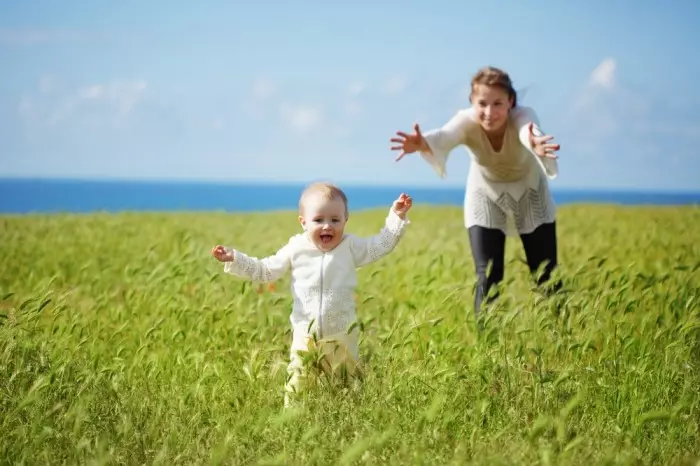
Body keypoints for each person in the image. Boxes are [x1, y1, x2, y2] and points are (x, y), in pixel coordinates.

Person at [211, 182, 412, 406]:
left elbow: (380, 246)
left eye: (335, 220)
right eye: (318, 220)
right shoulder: (296, 248)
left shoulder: (350, 246)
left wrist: (396, 216)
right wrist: (235, 259)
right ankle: (291, 424)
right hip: (305, 336)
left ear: (346, 220)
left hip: (342, 334)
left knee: (349, 387)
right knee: (297, 386)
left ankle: (352, 421)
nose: (327, 226)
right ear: (303, 222)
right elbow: (266, 270)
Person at [390, 65, 562, 321]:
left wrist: (535, 141)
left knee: (546, 274)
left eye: (497, 103)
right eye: (482, 103)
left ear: (510, 102)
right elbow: (445, 136)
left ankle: (559, 332)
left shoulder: (523, 116)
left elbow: (528, 130)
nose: (489, 112)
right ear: (472, 101)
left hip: (529, 193)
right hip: (485, 194)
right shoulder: (466, 120)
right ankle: (488, 341)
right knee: (488, 275)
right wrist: (422, 143)